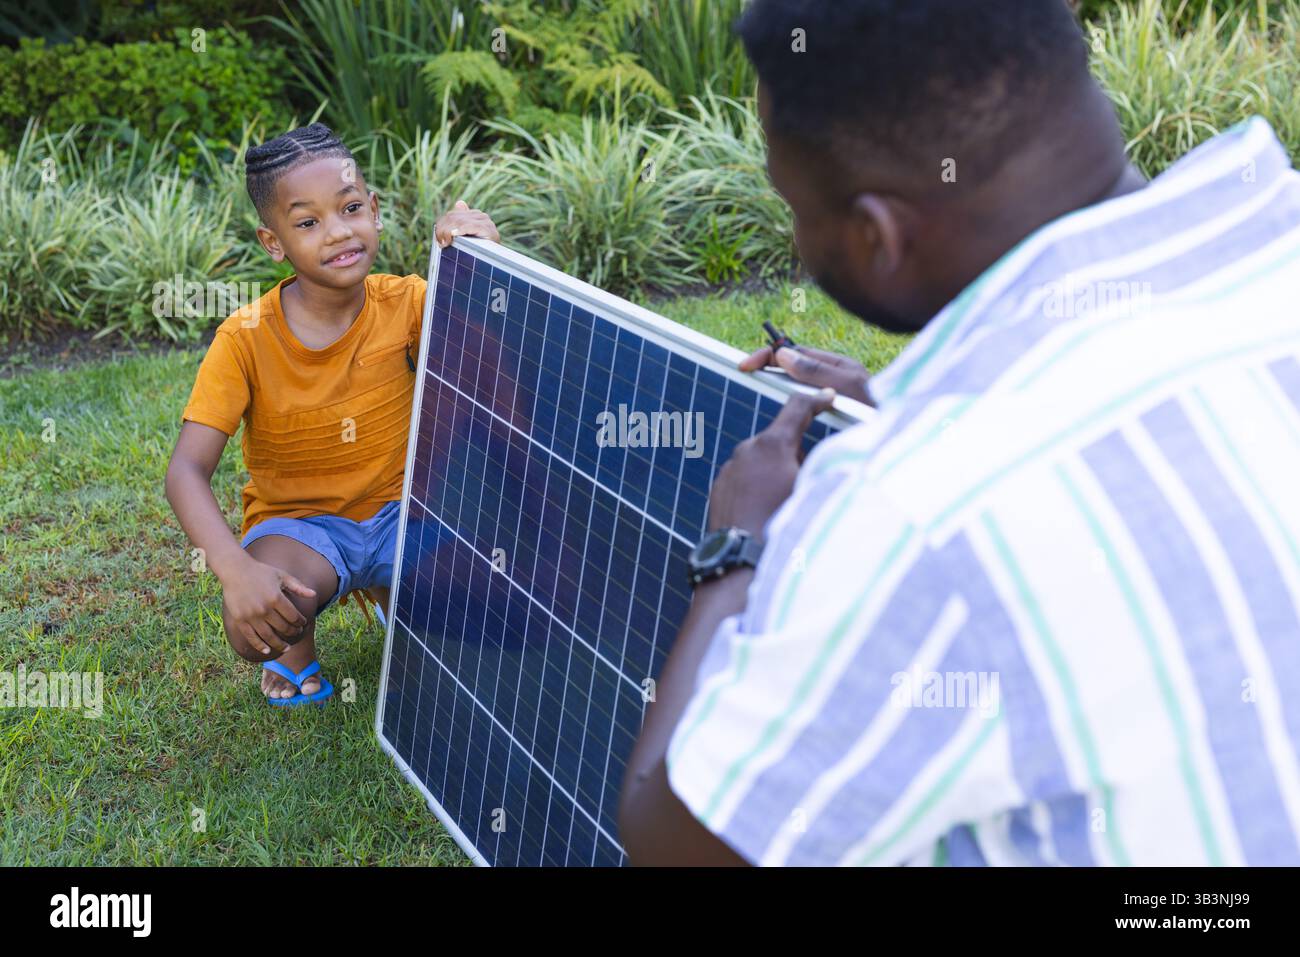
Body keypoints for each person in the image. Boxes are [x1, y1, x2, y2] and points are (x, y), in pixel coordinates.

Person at [620, 0, 1300, 865]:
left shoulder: (909, 515)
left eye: (794, 204)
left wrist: (736, 547)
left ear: (876, 236)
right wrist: (925, 405)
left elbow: (676, 839)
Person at [164, 123, 500, 706]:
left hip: (403, 517)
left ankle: (408, 603)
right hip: (303, 532)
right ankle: (295, 654)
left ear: (373, 208)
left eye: (349, 208)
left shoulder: (411, 302)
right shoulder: (243, 339)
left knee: (508, 612)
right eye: (308, 222)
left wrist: (482, 258)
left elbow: (493, 338)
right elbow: (185, 472)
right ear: (274, 243)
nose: (338, 232)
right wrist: (234, 571)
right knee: (261, 624)